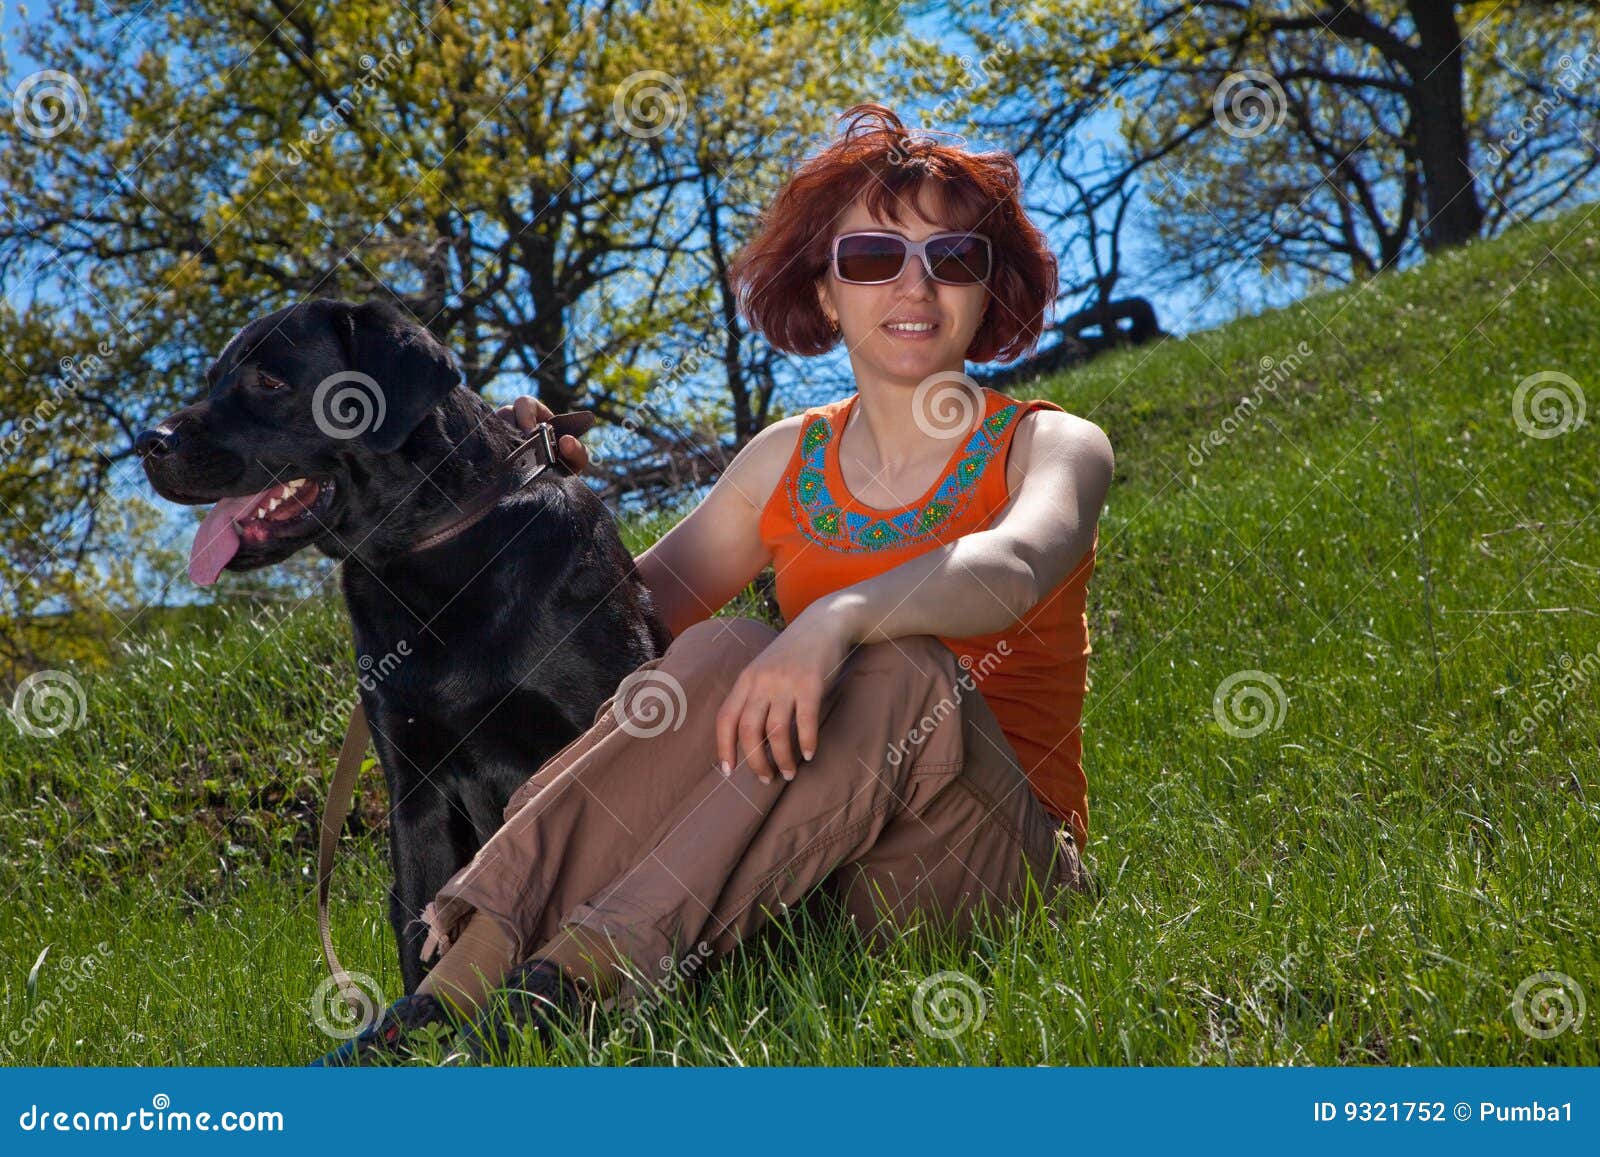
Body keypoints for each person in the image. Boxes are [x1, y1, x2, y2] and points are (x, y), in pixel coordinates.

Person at [310, 103, 1113, 1066]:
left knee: (904, 665)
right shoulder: (787, 458)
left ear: (989, 290)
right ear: (823, 292)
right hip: (811, 877)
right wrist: (508, 490)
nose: (915, 285)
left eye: (953, 259)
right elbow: (610, 623)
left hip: (989, 864)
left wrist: (840, 620)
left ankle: (578, 989)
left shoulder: (1049, 442)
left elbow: (1015, 566)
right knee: (722, 647)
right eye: (871, 258)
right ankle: (444, 1005)